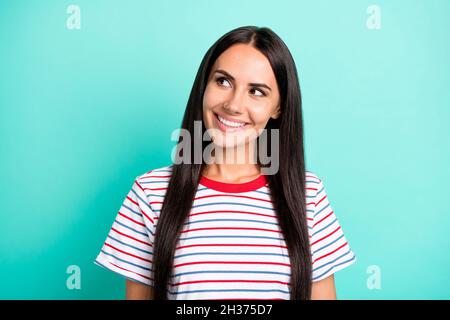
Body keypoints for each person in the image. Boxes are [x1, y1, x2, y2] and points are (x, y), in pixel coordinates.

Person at [94, 25, 356, 300]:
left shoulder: (308, 194)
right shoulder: (150, 192)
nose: (233, 105)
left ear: (278, 107)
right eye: (223, 81)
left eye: (257, 91)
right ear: (203, 86)